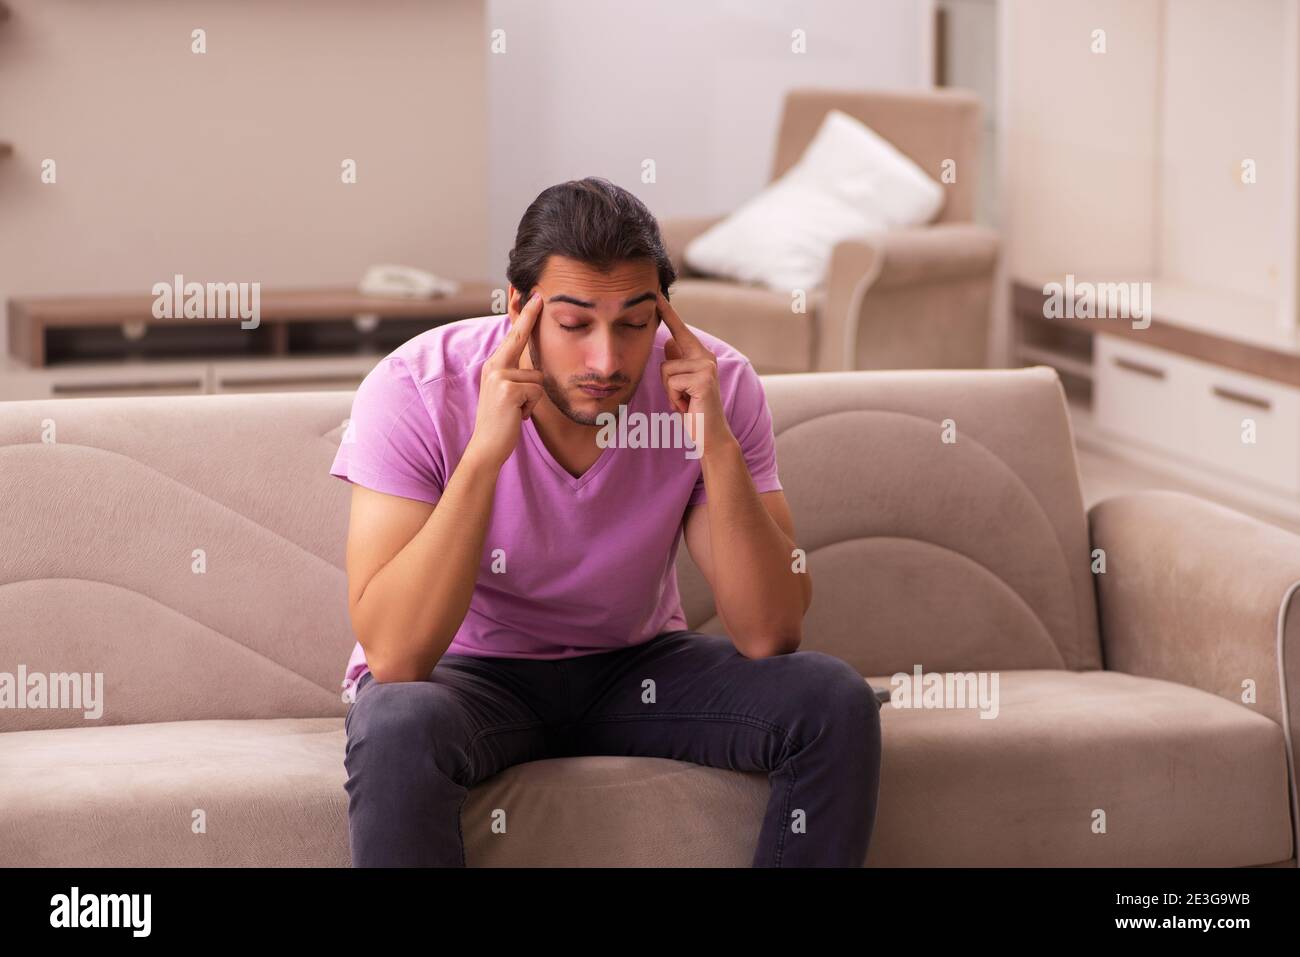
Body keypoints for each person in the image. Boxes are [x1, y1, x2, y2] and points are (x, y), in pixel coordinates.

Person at [332, 176, 882, 867]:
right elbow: (397, 655)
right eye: (574, 324)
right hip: (468, 675)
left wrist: (715, 444)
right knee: (396, 722)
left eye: (633, 322)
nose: (607, 360)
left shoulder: (714, 383)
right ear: (518, 309)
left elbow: (770, 631)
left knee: (832, 699)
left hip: (635, 669)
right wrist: (482, 457)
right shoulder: (414, 387)